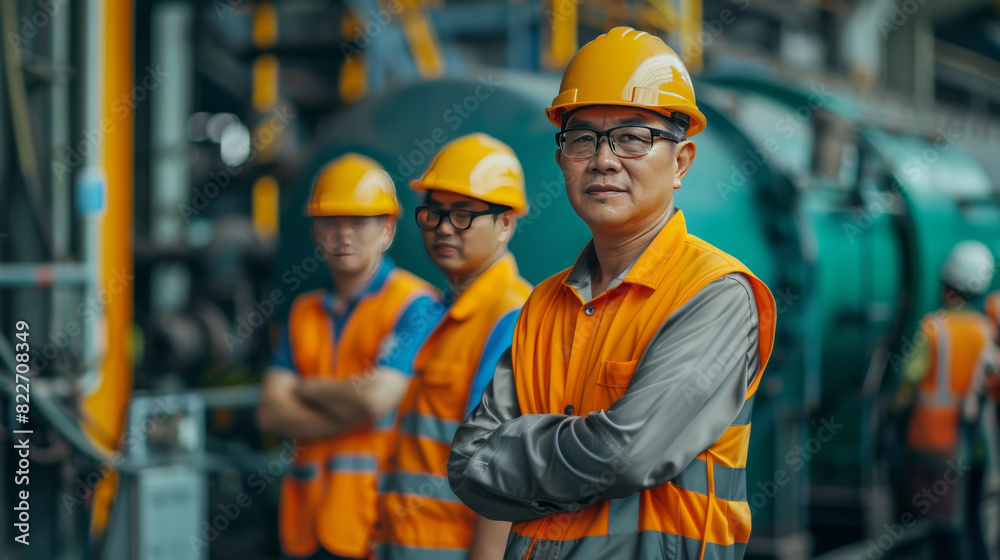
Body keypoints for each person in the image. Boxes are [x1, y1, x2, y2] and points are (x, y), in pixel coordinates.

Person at [448, 27, 778, 560]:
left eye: (632, 137)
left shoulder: (715, 295)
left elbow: (626, 456)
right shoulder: (543, 304)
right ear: (562, 159)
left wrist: (521, 449)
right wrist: (593, 441)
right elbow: (467, 464)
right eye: (583, 138)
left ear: (682, 161)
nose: (603, 159)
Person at [257, 154, 436, 560]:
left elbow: (375, 400)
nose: (343, 236)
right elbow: (270, 413)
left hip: (376, 525)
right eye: (330, 222)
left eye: (358, 223)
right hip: (304, 526)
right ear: (316, 231)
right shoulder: (304, 311)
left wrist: (304, 388)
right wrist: (352, 407)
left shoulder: (414, 303)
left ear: (387, 230)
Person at [376, 133, 532, 560]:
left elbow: (500, 466)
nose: (444, 227)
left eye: (463, 215)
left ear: (505, 224)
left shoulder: (512, 319)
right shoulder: (435, 311)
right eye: (434, 213)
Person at [892, 240, 998, 560]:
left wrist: (894, 415)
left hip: (935, 446)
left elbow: (908, 382)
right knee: (970, 521)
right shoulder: (985, 330)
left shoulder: (934, 328)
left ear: (947, 285)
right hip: (977, 447)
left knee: (941, 529)